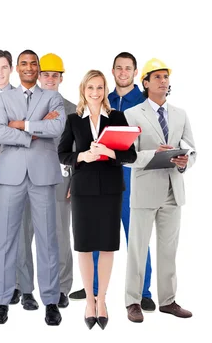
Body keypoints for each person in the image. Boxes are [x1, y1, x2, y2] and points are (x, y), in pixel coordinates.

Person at [69, 52, 156, 312]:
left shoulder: (142, 101)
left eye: (128, 68)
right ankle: (93, 290)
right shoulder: (102, 103)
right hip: (98, 180)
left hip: (133, 178)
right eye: (118, 68)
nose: (123, 72)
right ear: (113, 71)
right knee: (95, 235)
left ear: (135, 72)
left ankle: (143, 291)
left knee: (136, 237)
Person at [0, 49, 65, 326]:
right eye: (24, 63)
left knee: (47, 240)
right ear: (16, 68)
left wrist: (21, 125)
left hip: (43, 175)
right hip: (10, 175)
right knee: (6, 240)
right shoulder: (4, 98)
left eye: (34, 63)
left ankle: (50, 302)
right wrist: (34, 131)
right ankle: (2, 300)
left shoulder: (51, 96)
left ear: (39, 68)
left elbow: (56, 127)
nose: (29, 67)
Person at [58, 70, 137, 330]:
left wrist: (109, 152)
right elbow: (62, 155)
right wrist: (81, 157)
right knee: (83, 245)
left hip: (110, 190)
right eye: (90, 87)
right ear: (83, 89)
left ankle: (101, 300)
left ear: (105, 90)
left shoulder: (116, 117)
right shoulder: (73, 120)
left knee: (106, 245)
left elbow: (132, 156)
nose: (95, 92)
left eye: (100, 87)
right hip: (82, 189)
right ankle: (88, 303)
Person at [124, 58, 196, 323]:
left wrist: (186, 160)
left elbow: (192, 147)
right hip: (144, 190)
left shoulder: (180, 114)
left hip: (173, 191)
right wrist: (154, 154)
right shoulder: (133, 115)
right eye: (157, 77)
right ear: (145, 83)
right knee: (137, 249)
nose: (163, 81)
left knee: (169, 249)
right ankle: (132, 301)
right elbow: (128, 156)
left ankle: (168, 301)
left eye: (166, 77)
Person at [0, 50, 34, 310]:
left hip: (18, 177)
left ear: (11, 69)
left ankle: (24, 289)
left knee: (21, 236)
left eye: (4, 67)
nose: (0, 72)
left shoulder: (23, 98)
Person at [38, 53, 77, 309]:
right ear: (39, 77)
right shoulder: (25, 105)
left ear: (61, 78)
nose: (50, 79)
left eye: (55, 75)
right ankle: (22, 285)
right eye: (46, 74)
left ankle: (62, 287)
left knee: (60, 234)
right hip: (28, 177)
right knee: (24, 233)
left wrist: (75, 181)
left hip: (61, 179)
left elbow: (78, 149)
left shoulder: (73, 110)